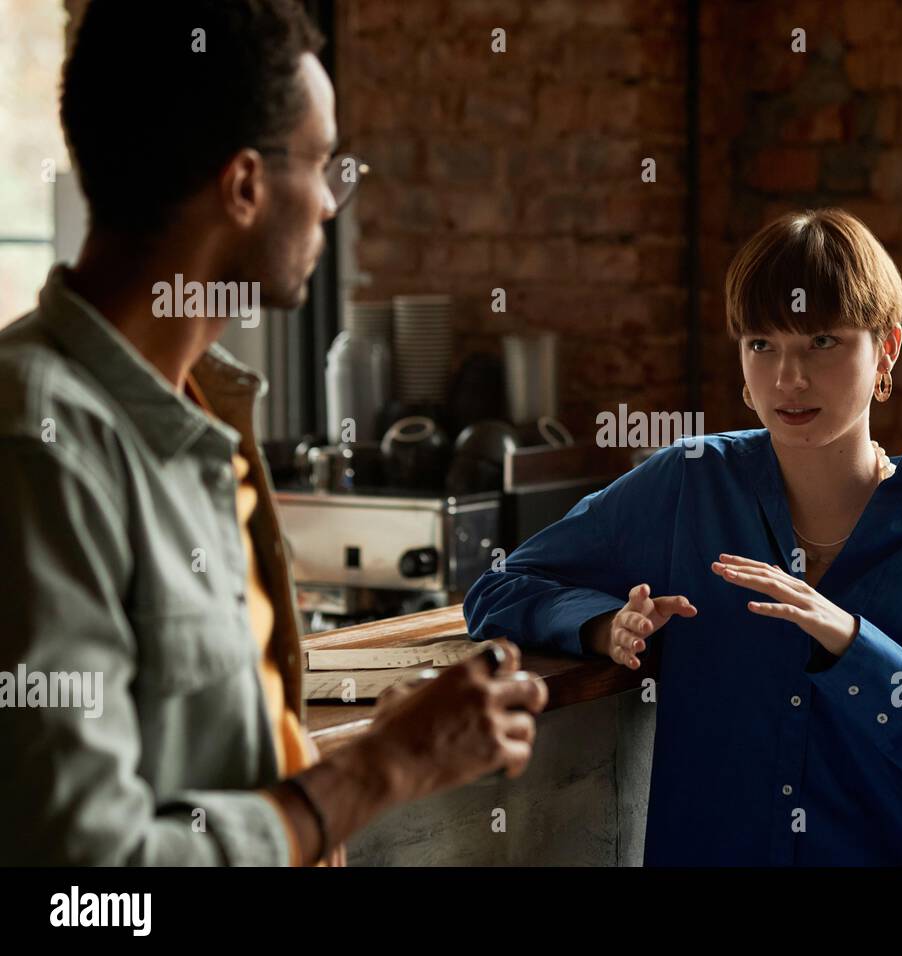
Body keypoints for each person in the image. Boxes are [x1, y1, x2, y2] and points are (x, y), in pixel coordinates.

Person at [0, 0, 546, 866]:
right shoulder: (39, 444)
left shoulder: (209, 412)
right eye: (325, 162)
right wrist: (380, 770)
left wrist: (362, 747)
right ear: (246, 185)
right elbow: (85, 882)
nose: (331, 203)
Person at [465, 208, 902, 865]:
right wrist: (602, 625)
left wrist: (855, 648)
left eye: (822, 342)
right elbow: (501, 587)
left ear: (887, 349)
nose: (789, 377)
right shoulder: (686, 487)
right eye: (762, 344)